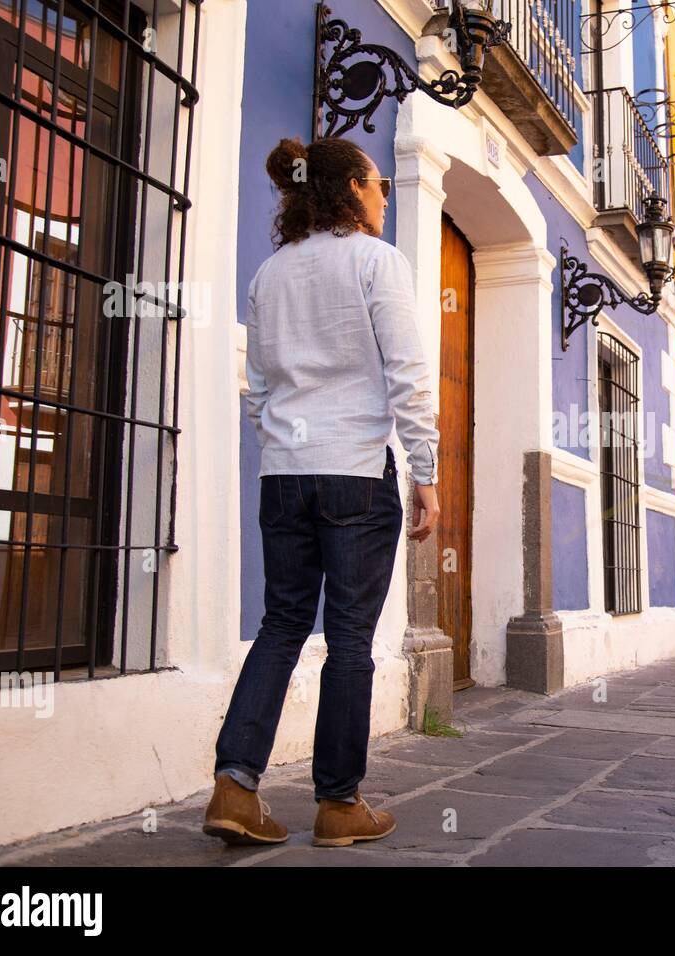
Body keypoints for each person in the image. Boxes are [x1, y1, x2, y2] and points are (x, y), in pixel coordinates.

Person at [202, 136, 440, 848]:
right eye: (379, 184)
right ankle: (339, 805)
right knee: (349, 641)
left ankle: (234, 788)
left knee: (280, 626)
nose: (386, 195)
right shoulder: (377, 262)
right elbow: (407, 373)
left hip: (285, 475)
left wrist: (280, 443)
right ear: (350, 190)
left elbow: (261, 385)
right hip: (357, 474)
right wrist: (426, 472)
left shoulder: (270, 274)